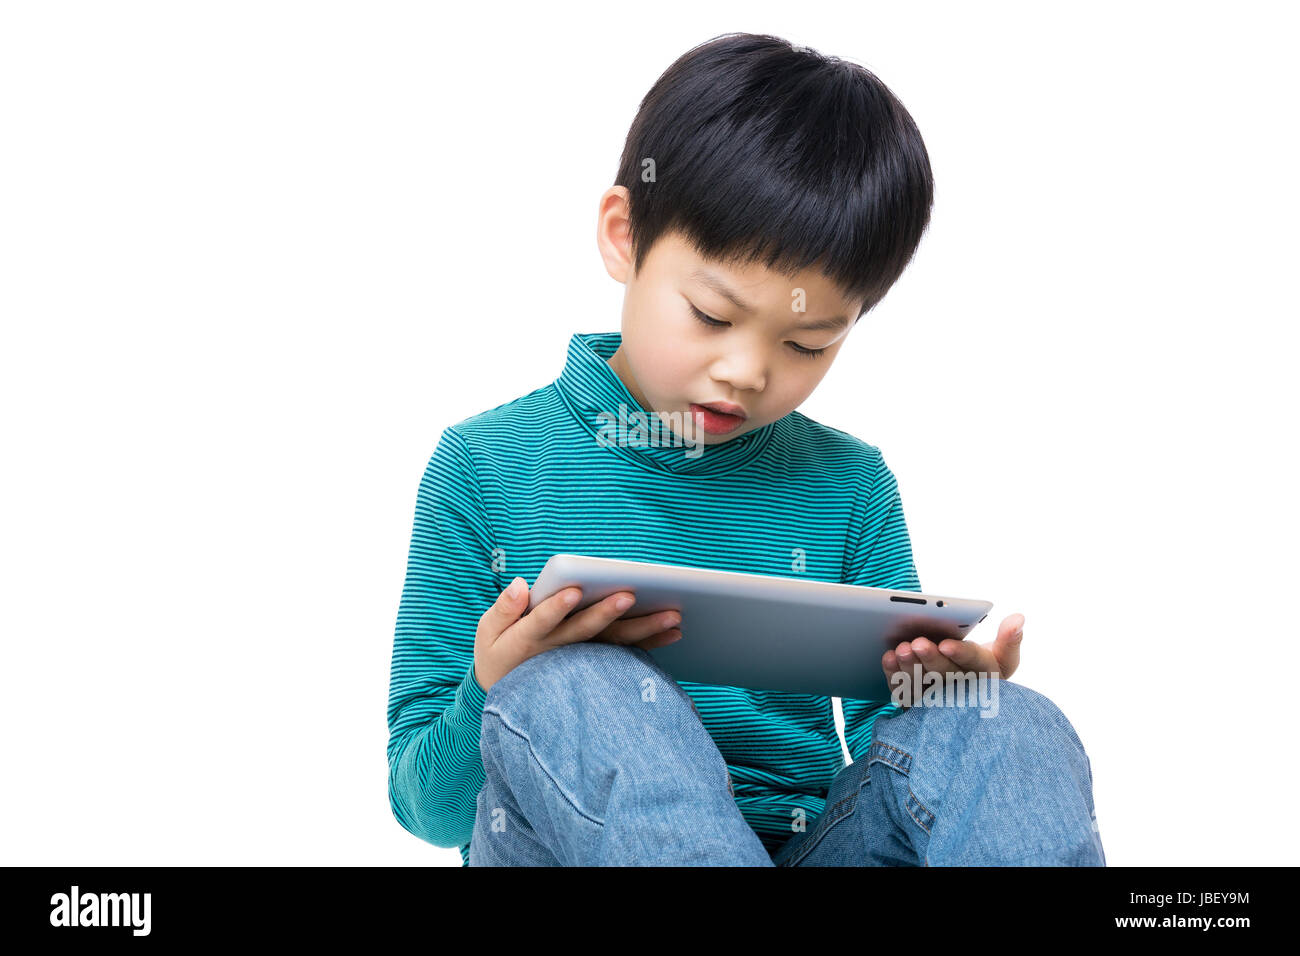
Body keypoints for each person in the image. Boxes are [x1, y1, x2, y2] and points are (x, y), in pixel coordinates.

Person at [386, 32, 1105, 866]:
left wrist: (939, 692)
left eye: (807, 344)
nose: (746, 372)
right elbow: (425, 811)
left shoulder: (850, 484)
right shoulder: (484, 466)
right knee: (576, 687)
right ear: (624, 235)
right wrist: (494, 687)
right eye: (713, 317)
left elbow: (904, 769)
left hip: (808, 846)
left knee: (1006, 722)